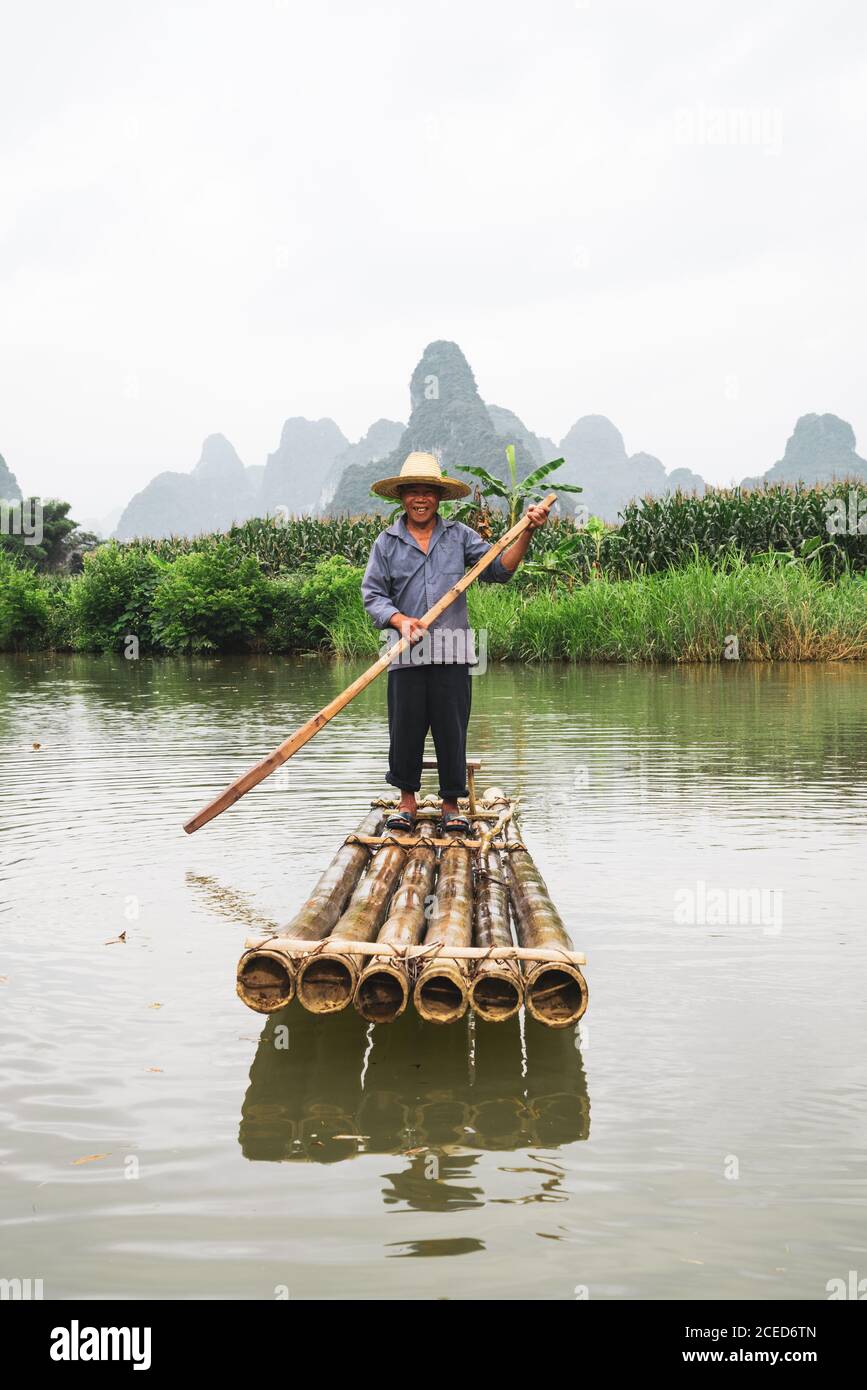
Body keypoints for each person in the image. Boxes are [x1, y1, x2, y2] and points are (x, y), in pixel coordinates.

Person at [361, 451, 549, 833]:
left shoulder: (459, 537)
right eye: (412, 491)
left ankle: (451, 805)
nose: (420, 499)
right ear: (401, 497)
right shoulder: (387, 543)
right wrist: (399, 619)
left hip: (453, 651)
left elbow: (499, 570)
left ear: (438, 497)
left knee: (451, 729)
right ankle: (407, 802)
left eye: (427, 492)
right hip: (405, 654)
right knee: (405, 729)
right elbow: (373, 595)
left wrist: (527, 530)